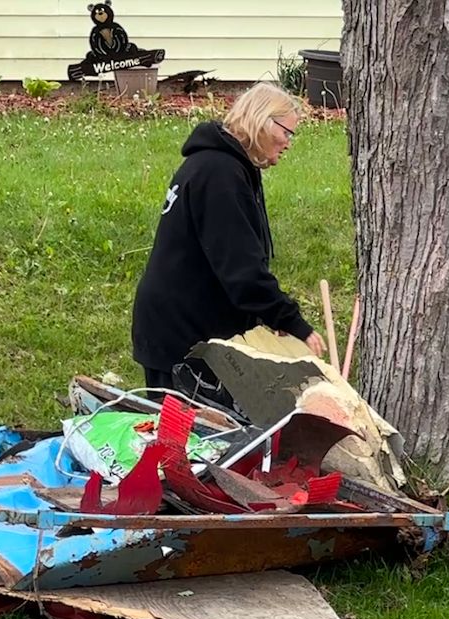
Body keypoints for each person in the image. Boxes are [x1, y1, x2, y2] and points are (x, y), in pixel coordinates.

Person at [131, 82, 325, 393]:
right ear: (262, 122)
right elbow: (241, 268)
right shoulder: (219, 174)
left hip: (187, 324)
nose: (288, 142)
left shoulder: (224, 166)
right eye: (287, 132)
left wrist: (263, 317)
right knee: (192, 435)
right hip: (182, 334)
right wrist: (290, 321)